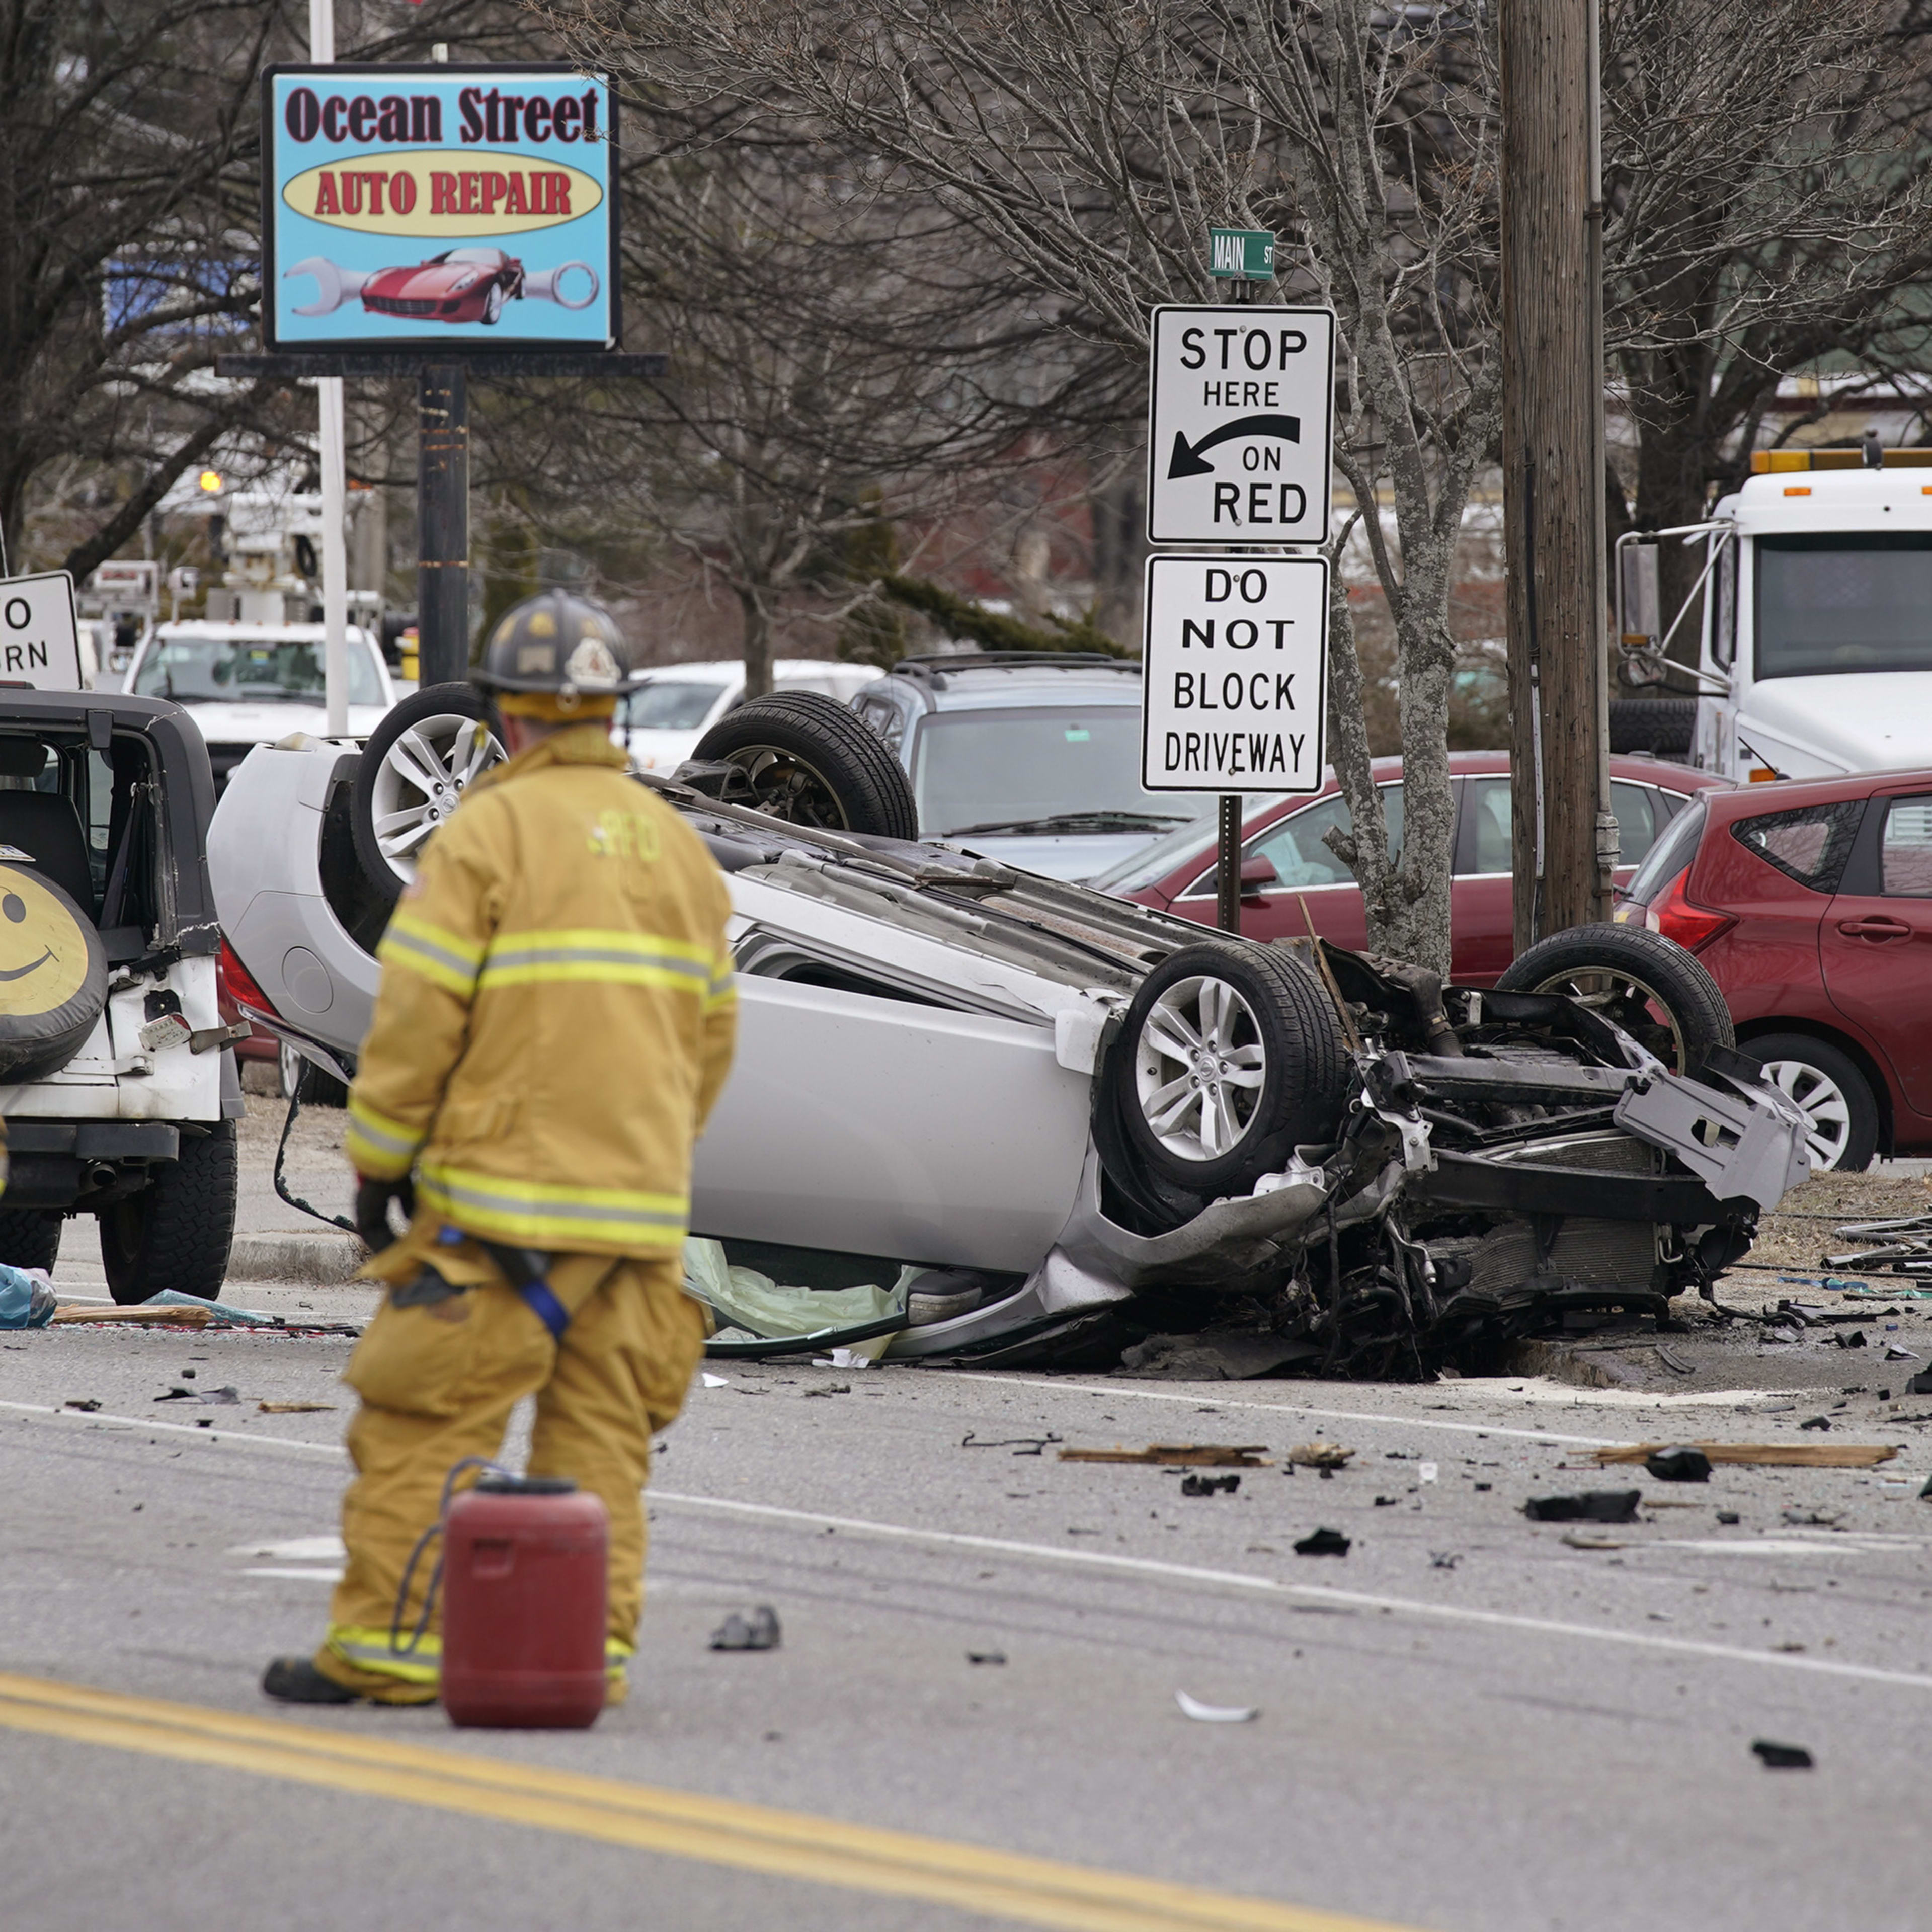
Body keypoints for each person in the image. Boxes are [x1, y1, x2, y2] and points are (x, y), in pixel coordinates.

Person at [263, 591, 736, 1706]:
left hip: (498, 1217)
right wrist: (647, 1159)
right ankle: (587, 1651)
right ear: (611, 715)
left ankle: (391, 1644)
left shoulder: (481, 835)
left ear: (509, 721)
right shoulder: (680, 853)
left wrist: (380, 1165)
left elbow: (418, 1020)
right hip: (632, 1223)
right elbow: (710, 1043)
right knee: (603, 1445)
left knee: (423, 1422)